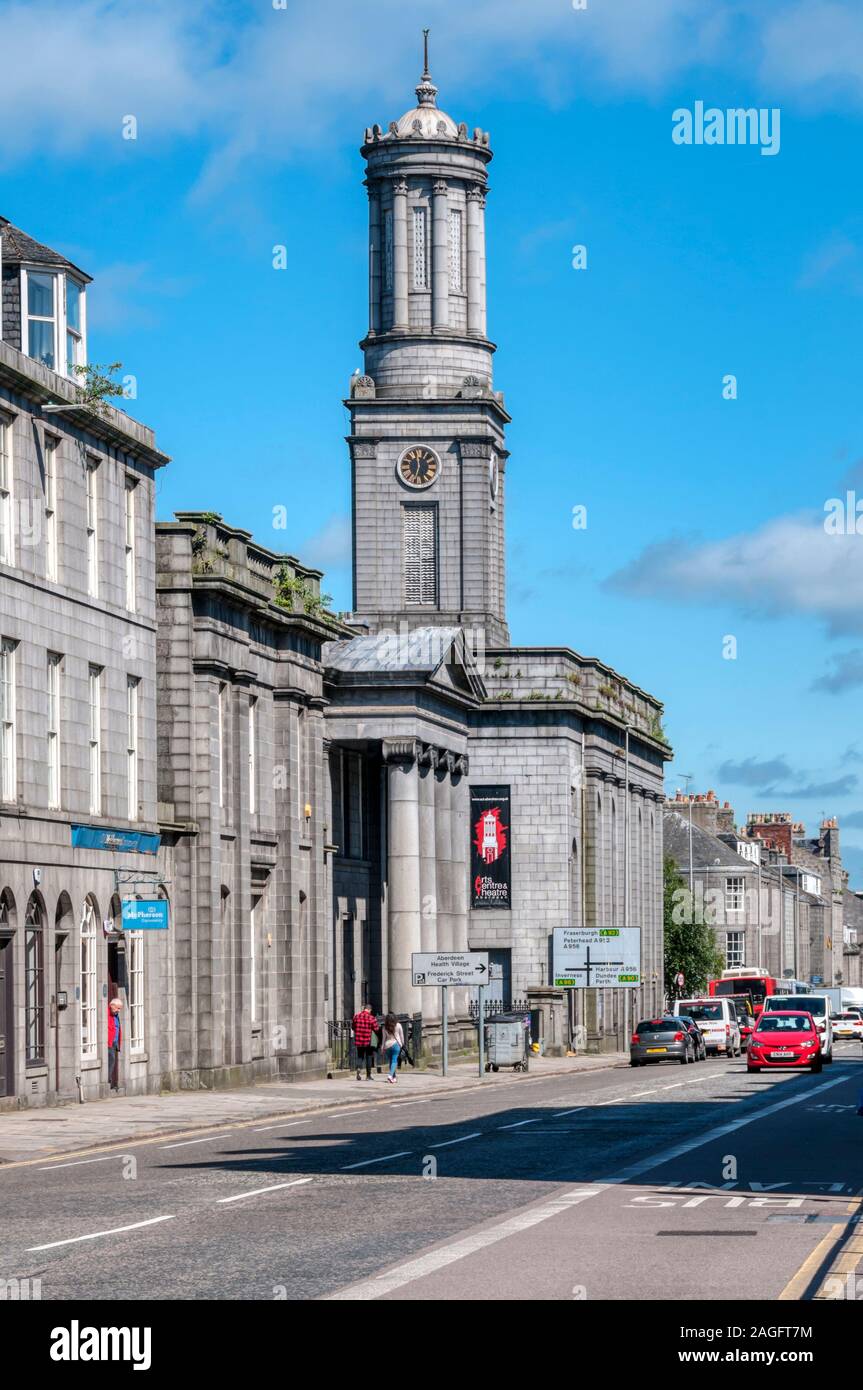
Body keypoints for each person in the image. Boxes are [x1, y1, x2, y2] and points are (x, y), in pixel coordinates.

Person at [351, 1002, 379, 1081]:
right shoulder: (371, 1018)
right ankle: (368, 1075)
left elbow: (353, 1027)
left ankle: (359, 1068)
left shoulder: (356, 1016)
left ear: (364, 1009)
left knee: (360, 1056)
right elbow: (376, 1029)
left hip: (359, 1040)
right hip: (368, 1040)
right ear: (369, 1010)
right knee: (369, 1057)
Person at [381, 1013, 405, 1084]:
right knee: (394, 1061)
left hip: (387, 1045)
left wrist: (382, 1047)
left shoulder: (384, 1027)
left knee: (391, 1061)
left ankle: (394, 1078)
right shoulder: (398, 1025)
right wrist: (402, 1044)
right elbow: (401, 1036)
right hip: (396, 1044)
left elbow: (384, 1039)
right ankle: (390, 1075)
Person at [108, 997, 123, 1090]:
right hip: (109, 1042)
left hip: (115, 1042)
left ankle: (111, 1081)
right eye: (118, 1008)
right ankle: (109, 1082)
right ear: (112, 1005)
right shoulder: (107, 1013)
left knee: (112, 1061)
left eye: (120, 1008)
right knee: (111, 1061)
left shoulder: (115, 1014)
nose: (119, 1010)